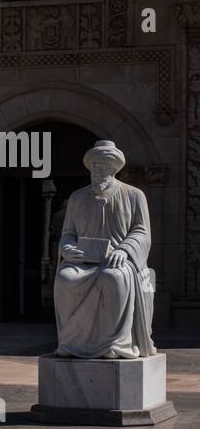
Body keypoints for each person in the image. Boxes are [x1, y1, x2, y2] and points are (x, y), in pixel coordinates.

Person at [53, 140, 155, 359]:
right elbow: (68, 233)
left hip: (119, 261)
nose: (99, 170)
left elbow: (142, 232)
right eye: (95, 165)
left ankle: (115, 344)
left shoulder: (134, 195)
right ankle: (72, 342)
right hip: (83, 262)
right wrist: (68, 248)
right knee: (65, 278)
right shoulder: (77, 198)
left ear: (114, 169)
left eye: (104, 165)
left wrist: (125, 250)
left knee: (113, 278)